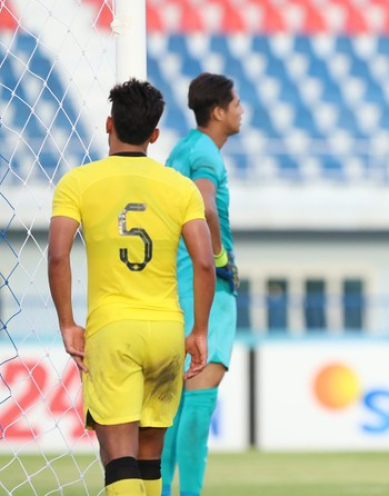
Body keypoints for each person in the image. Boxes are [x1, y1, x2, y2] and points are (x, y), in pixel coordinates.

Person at [48, 78, 215, 496]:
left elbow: (57, 255)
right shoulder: (181, 187)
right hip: (166, 332)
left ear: (109, 124)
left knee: (118, 457)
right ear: (154, 135)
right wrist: (199, 330)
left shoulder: (78, 182)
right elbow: (204, 262)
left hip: (113, 331)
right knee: (149, 458)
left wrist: (68, 323)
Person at [161, 72, 243, 496]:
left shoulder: (182, 149)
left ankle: (160, 490)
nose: (241, 110)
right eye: (236, 103)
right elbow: (207, 205)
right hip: (204, 285)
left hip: (175, 282)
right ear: (218, 111)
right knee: (199, 395)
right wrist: (219, 258)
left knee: (176, 404)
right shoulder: (207, 152)